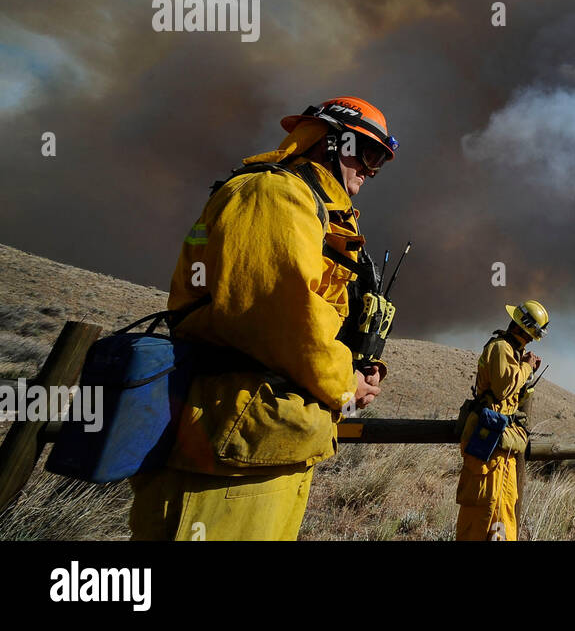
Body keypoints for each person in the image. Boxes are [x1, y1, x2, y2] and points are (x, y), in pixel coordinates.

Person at [128, 97, 399, 540]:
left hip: (266, 441)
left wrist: (356, 369)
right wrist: (345, 381)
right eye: (368, 154)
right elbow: (281, 313)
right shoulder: (274, 193)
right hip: (225, 451)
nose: (371, 170)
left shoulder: (316, 211)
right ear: (330, 142)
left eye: (380, 162)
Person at [455, 300, 547, 541]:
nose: (528, 342)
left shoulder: (512, 353)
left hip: (502, 451)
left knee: (503, 518)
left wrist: (525, 377)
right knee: (478, 518)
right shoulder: (501, 348)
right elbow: (503, 386)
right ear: (522, 329)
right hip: (486, 448)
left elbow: (509, 396)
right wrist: (526, 368)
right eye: (529, 337)